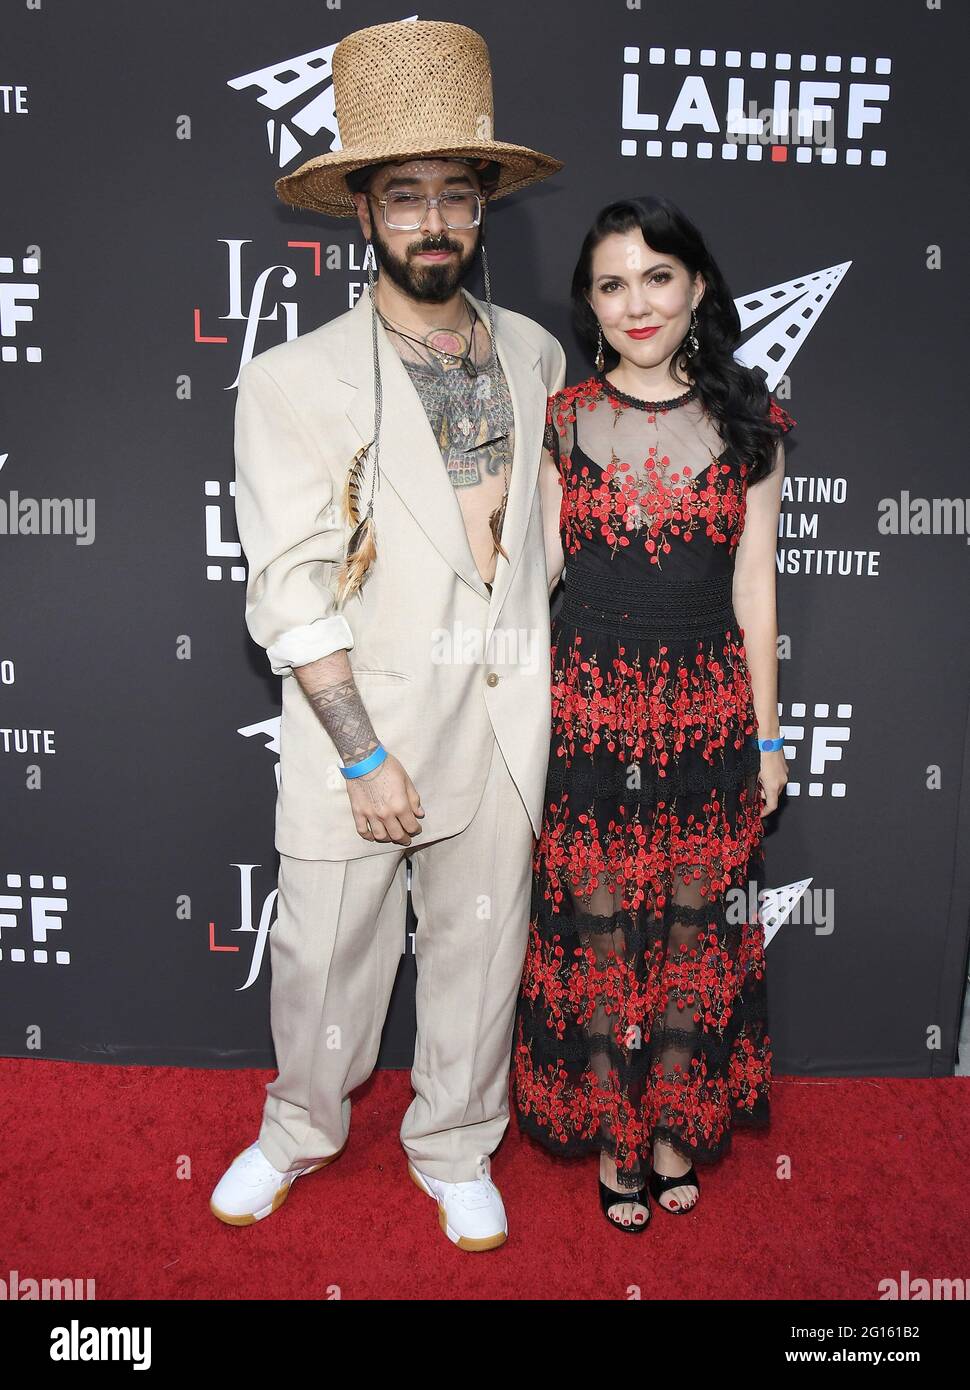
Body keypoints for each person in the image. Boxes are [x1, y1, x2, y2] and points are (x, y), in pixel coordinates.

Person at [210, 19, 565, 1251]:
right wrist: (362, 755)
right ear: (361, 210)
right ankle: (296, 1128)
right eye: (404, 194)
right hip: (358, 729)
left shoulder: (534, 351)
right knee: (323, 963)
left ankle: (457, 1138)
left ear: (481, 212)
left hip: (507, 722)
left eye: (454, 196)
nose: (432, 221)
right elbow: (294, 583)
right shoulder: (291, 380)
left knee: (480, 960)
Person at [513, 194, 795, 1232]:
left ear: (696, 286)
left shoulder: (748, 421)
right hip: (586, 711)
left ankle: (673, 1127)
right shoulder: (562, 419)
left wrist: (767, 737)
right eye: (611, 284)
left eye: (656, 277)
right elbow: (540, 566)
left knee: (688, 930)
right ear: (589, 305)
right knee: (597, 933)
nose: (637, 303)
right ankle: (613, 1139)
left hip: (706, 712)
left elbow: (755, 586)